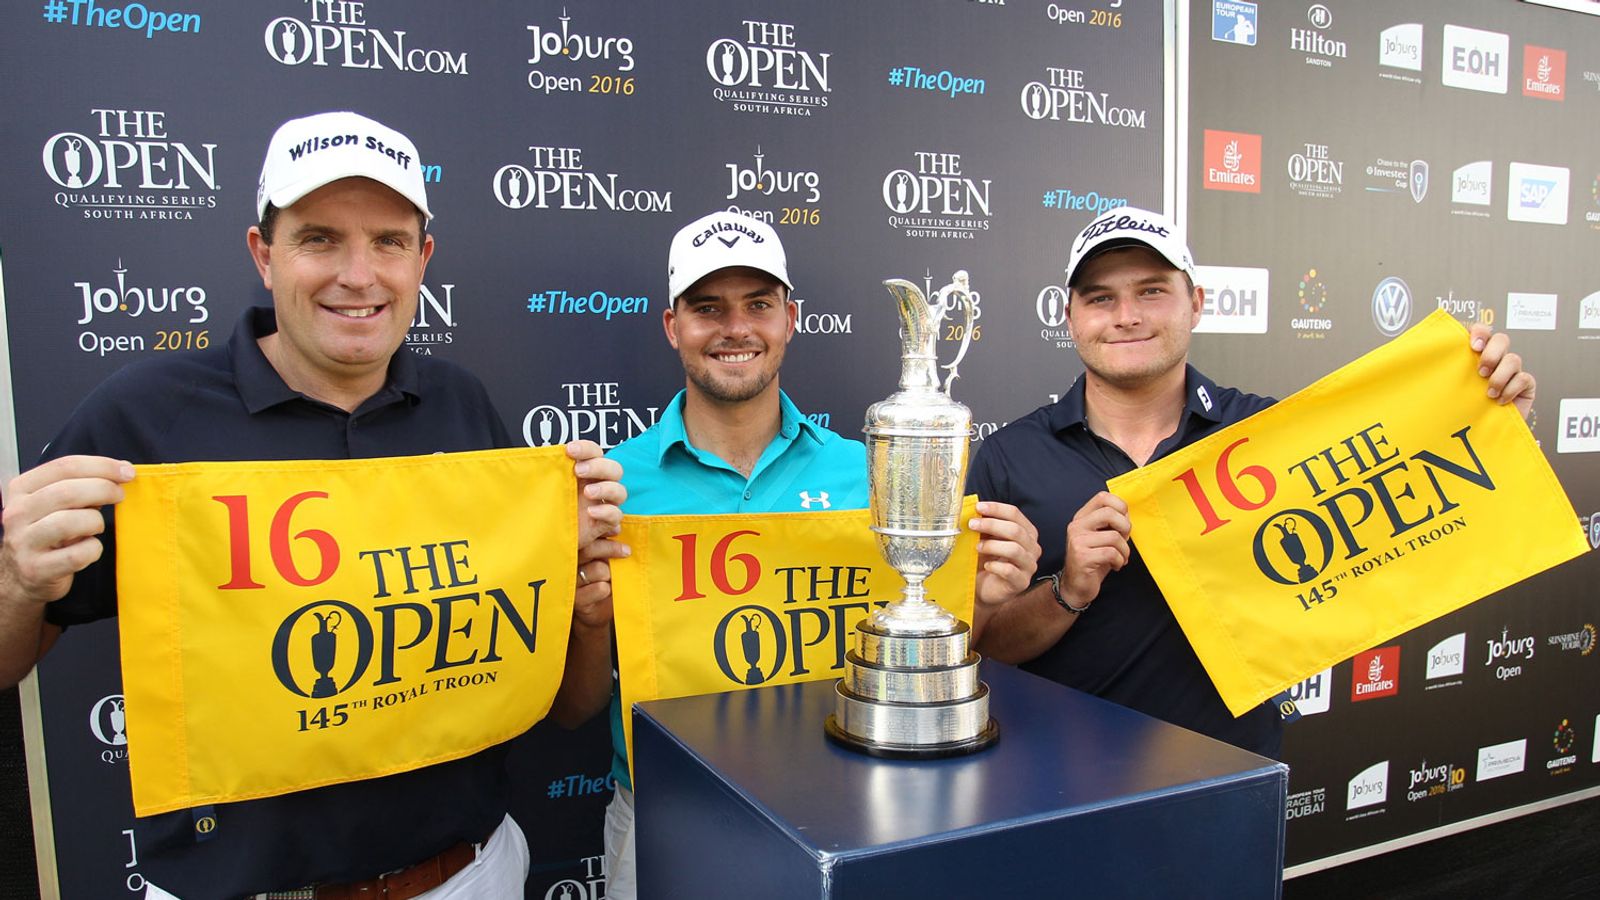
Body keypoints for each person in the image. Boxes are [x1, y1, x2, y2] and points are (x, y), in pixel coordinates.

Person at [0, 111, 627, 899]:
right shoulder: (143, 417)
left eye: (389, 241)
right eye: (320, 238)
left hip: (468, 875)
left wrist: (580, 598)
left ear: (422, 259)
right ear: (265, 254)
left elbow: (564, 705)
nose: (358, 275)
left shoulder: (464, 410)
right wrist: (16, 580)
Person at [554, 210, 1041, 899]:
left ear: (791, 319)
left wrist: (981, 603)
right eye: (707, 308)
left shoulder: (869, 475)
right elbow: (574, 711)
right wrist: (586, 620)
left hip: (850, 812)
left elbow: (911, 668)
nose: (735, 328)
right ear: (673, 326)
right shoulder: (613, 488)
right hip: (669, 816)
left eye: (759, 304)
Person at [967, 206, 1535, 759]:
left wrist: (1491, 414)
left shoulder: (1269, 433)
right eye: (1100, 298)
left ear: (1196, 304)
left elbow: (1409, 497)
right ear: (1070, 317)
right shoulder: (1009, 457)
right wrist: (1071, 587)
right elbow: (988, 643)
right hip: (1056, 775)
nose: (1127, 315)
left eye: (1151, 291)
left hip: (1232, 770)